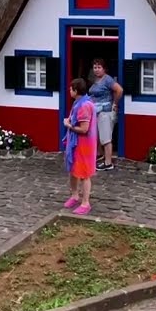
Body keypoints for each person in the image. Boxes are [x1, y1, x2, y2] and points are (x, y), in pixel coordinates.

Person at [62, 78, 98, 215]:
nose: (69, 91)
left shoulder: (85, 106)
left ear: (76, 91)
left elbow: (84, 129)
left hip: (84, 145)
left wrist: (69, 125)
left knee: (84, 174)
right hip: (74, 144)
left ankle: (85, 202)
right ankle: (74, 195)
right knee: (73, 170)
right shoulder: (78, 103)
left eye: (71, 89)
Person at [87, 59, 123, 172]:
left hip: (105, 112)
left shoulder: (107, 79)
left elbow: (119, 90)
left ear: (104, 68)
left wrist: (115, 104)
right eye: (95, 67)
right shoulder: (95, 80)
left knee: (106, 138)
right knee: (98, 136)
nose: (96, 70)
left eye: (99, 67)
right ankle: (101, 155)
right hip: (96, 112)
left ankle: (108, 163)